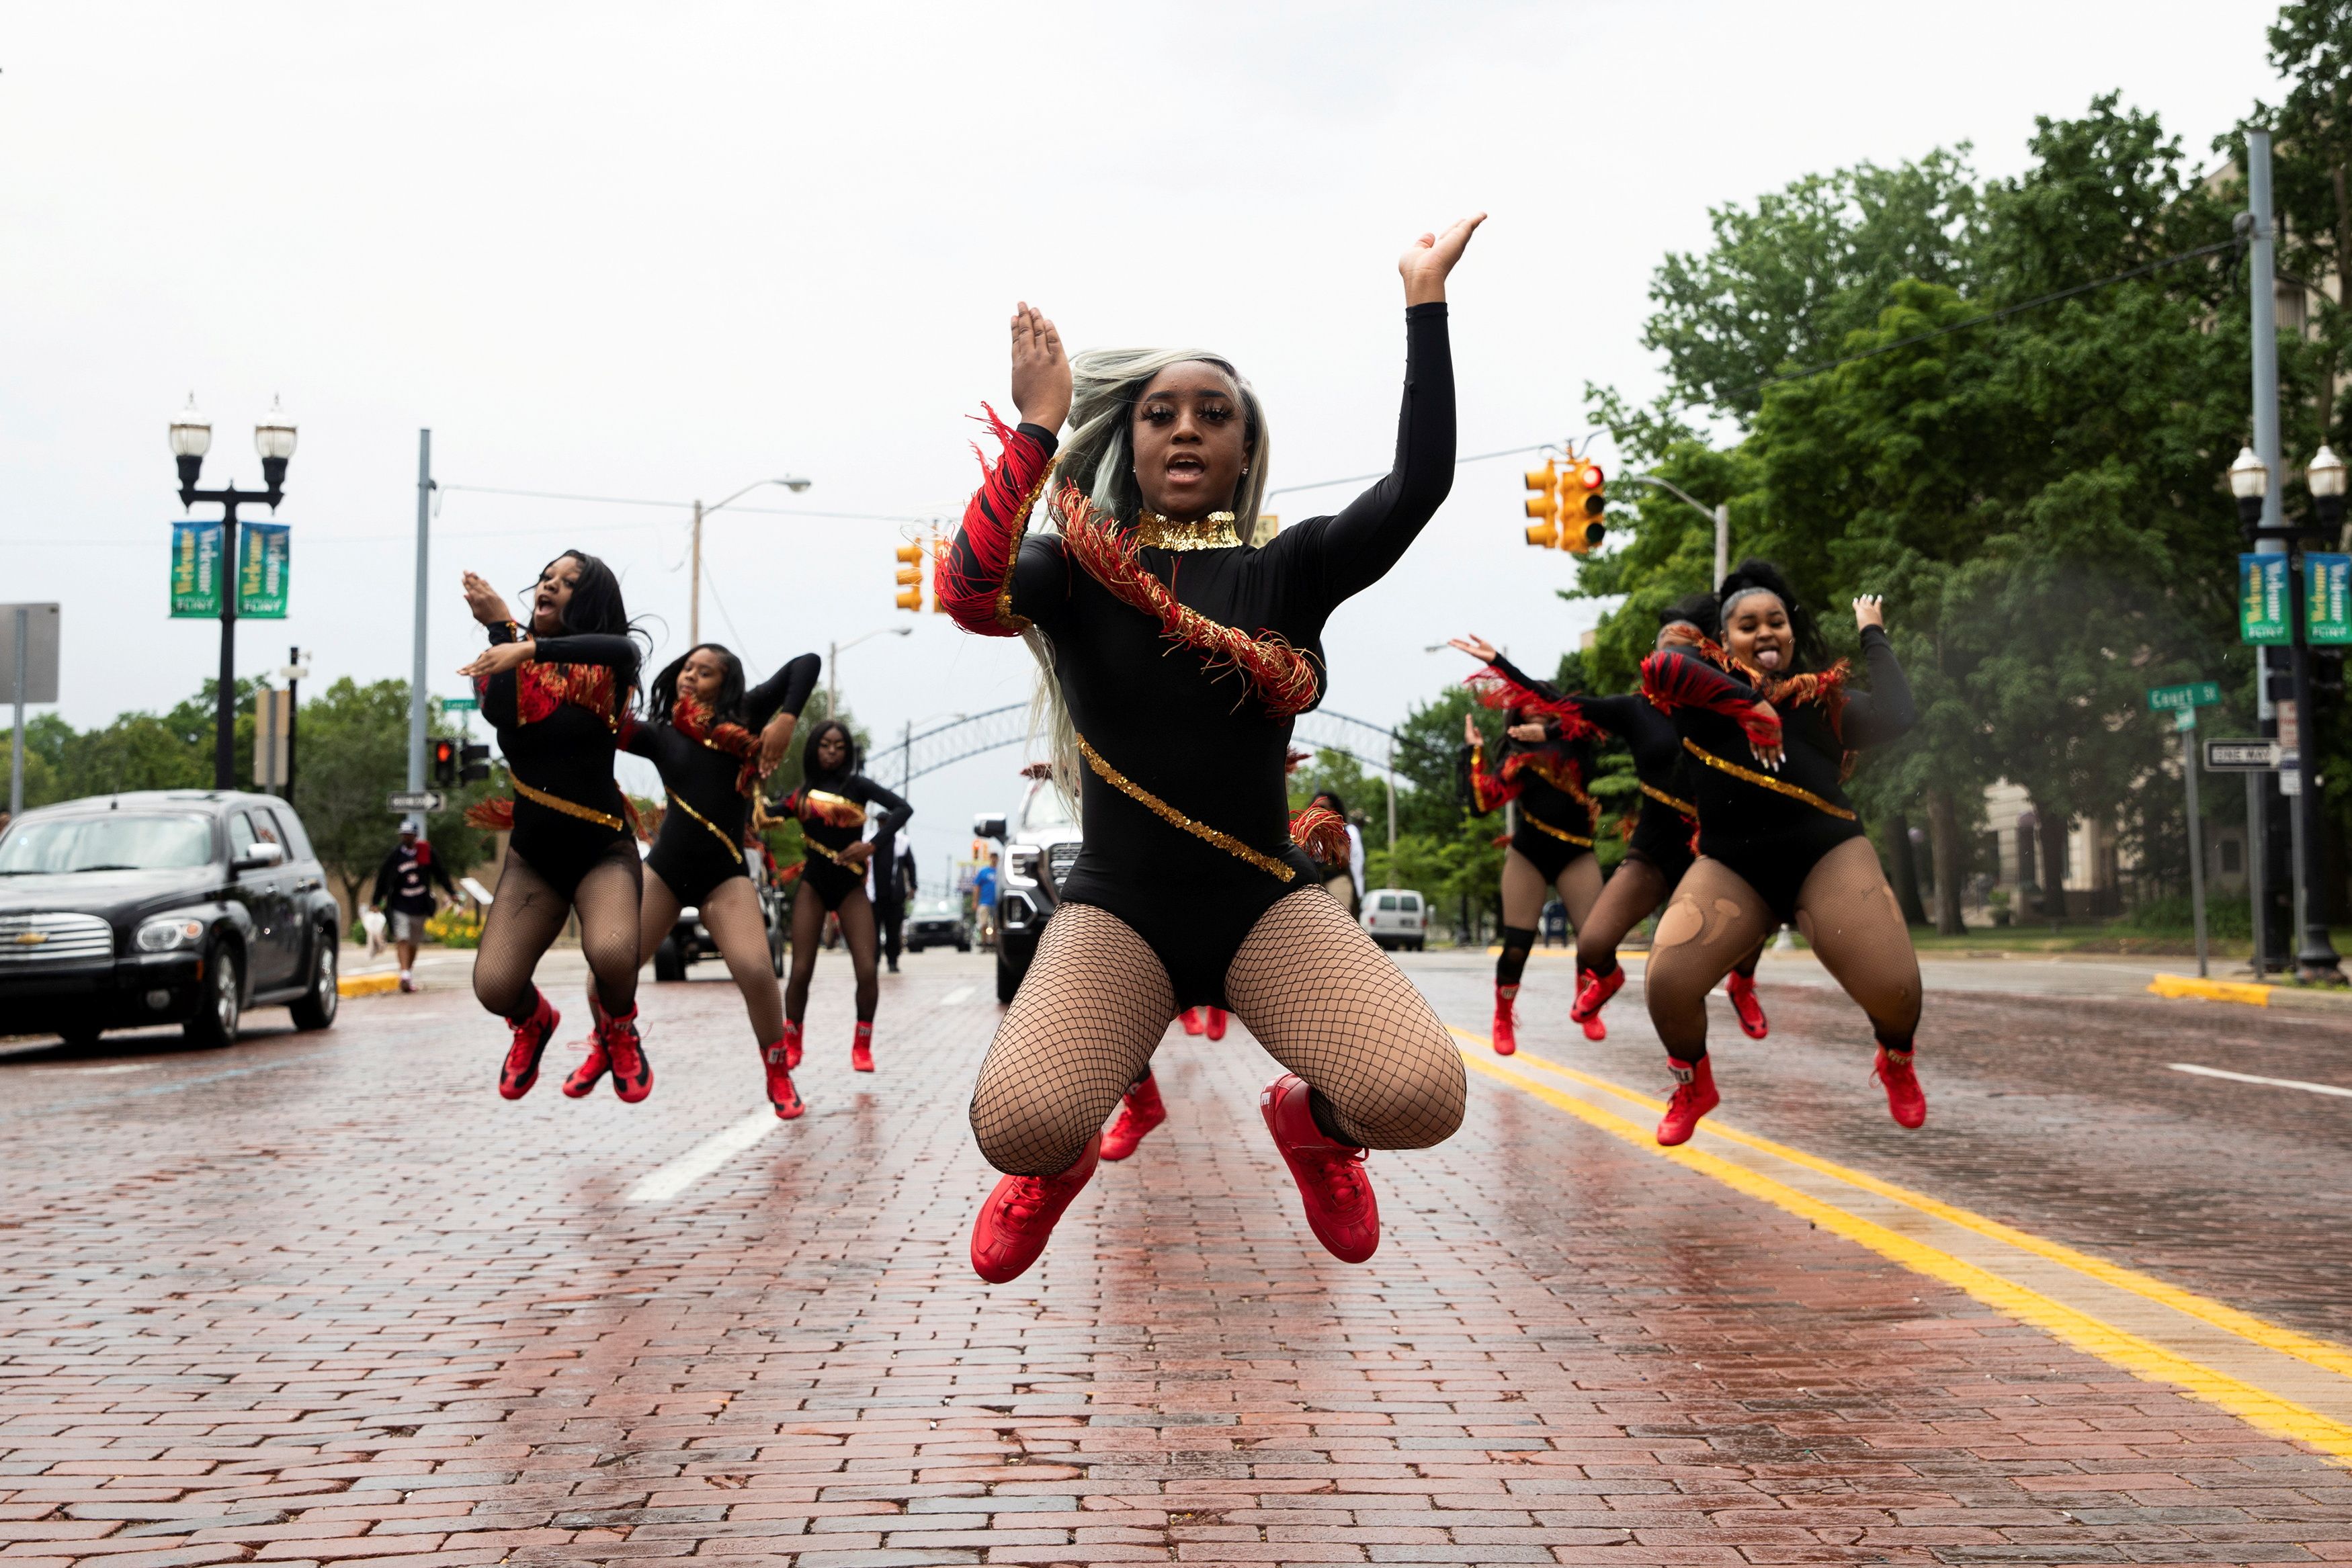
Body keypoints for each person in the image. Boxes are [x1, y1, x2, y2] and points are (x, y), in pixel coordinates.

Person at [937, 214, 1482, 1283]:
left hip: (1262, 906)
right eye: (1160, 413)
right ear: (1131, 443)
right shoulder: (1073, 569)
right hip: (1118, 911)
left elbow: (1417, 486)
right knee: (1018, 1123)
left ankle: (1314, 1126)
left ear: (1244, 450)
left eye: (1213, 413)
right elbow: (965, 589)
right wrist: (1037, 428)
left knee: (1421, 1098)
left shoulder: (1290, 567)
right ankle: (1060, 1159)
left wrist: (1426, 302)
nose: (1185, 429)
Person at [1638, 561, 1922, 1145]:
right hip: (1733, 868)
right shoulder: (1697, 694)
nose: (1766, 632)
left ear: (1792, 632)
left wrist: (1872, 632)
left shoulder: (1821, 702)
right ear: (1723, 640)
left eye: (1776, 622)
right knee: (1667, 982)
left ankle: (1896, 1058)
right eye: (1747, 626)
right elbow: (1663, 664)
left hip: (1827, 857)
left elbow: (1898, 715)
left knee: (1897, 992)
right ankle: (1694, 1085)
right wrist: (1750, 705)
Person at [1452, 601, 1769, 1046]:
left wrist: (1552, 732)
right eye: (1666, 647)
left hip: (1693, 840)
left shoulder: (1718, 706)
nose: (1675, 655)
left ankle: (1741, 984)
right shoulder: (1623, 714)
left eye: (1687, 648)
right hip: (1572, 850)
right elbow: (1559, 716)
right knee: (1549, 944)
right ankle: (1509, 1013)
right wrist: (1496, 678)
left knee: (1755, 911)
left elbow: (1578, 725)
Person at [565, 643, 818, 1118]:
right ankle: (611, 1042)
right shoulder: (661, 734)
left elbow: (807, 664)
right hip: (666, 872)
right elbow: (600, 724)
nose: (690, 677)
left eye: (705, 673)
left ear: (725, 683)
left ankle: (778, 1073)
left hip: (725, 876)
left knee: (757, 971)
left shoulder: (746, 717)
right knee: (606, 967)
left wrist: (786, 719)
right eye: (687, 668)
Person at [456, 553, 649, 1103]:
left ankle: (618, 1028)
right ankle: (534, 1022)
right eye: (546, 579)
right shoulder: (502, 659)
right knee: (494, 988)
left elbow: (624, 650)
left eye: (567, 584)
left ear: (589, 603)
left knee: (612, 953)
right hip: (534, 858)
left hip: (601, 850)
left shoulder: (607, 668)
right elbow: (503, 713)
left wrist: (527, 647)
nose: (550, 586)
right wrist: (503, 632)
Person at [1456, 689, 1603, 1057]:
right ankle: (1503, 1015)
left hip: (1576, 852)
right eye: (1527, 702)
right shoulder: (1516, 752)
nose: (1535, 706)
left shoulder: (1577, 739)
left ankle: (1588, 1000)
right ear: (1518, 713)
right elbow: (1483, 803)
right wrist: (1474, 752)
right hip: (1529, 854)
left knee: (1595, 941)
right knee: (1517, 947)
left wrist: (1554, 729)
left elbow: (1593, 722)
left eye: (1542, 700)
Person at [770, 720, 911, 1074]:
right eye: (825, 745)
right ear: (814, 749)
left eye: (839, 746)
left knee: (867, 969)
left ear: (847, 752)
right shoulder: (803, 794)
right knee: (801, 970)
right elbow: (766, 815)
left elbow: (902, 809)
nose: (832, 752)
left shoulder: (857, 786)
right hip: (814, 886)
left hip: (850, 889)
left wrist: (871, 846)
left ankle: (862, 1046)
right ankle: (793, 1042)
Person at [371, 824, 457, 992]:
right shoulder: (396, 855)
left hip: (420, 904)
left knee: (413, 943)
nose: (406, 837)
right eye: (404, 834)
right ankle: (404, 974)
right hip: (399, 904)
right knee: (402, 938)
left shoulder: (426, 852)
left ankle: (408, 973)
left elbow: (441, 873)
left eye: (409, 834)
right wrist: (376, 901)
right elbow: (383, 878)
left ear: (416, 835)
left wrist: (451, 892)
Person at [874, 826, 915, 972]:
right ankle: (873, 961)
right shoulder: (870, 840)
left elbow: (911, 865)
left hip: (895, 896)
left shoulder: (901, 842)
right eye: (881, 822)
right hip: (874, 896)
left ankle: (893, 961)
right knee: (872, 932)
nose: (883, 825)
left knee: (893, 932)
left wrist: (913, 886)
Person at [973, 851, 999, 949]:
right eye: (992, 857)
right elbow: (977, 887)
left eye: (995, 857)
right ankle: (984, 944)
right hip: (985, 902)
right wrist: (975, 901)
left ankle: (994, 944)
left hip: (997, 902)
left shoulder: (1001, 872)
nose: (994, 859)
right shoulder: (983, 872)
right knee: (983, 924)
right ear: (990, 858)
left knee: (996, 924)